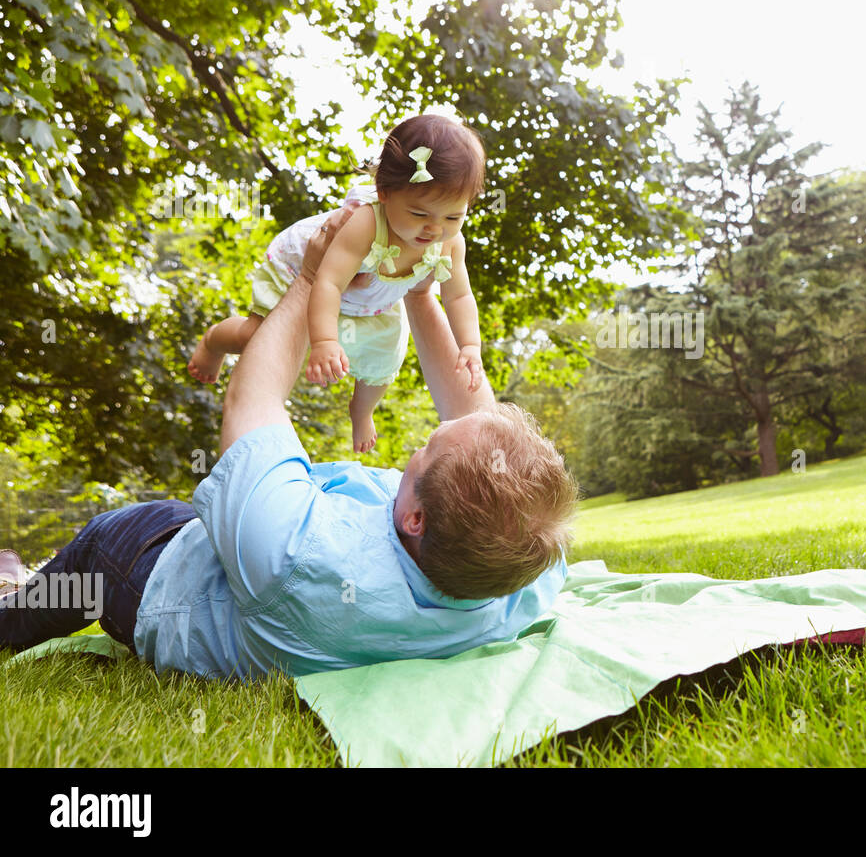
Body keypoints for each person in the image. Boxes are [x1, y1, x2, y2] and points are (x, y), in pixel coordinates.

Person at [1, 209, 579, 679]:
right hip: (231, 549)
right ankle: (27, 580)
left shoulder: (296, 556)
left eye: (426, 447)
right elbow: (479, 430)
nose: (434, 433)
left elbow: (251, 401)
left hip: (160, 585)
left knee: (106, 542)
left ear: (415, 519)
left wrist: (310, 279)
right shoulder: (522, 569)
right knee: (195, 517)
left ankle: (12, 606)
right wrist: (420, 291)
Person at [188, 113, 487, 453]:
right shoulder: (365, 224)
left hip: (370, 299)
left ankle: (362, 410)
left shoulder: (450, 242)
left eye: (453, 216)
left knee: (387, 354)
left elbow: (459, 296)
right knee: (256, 338)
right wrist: (326, 341)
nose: (435, 229)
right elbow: (327, 282)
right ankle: (214, 342)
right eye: (420, 214)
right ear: (385, 193)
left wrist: (470, 345)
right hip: (306, 272)